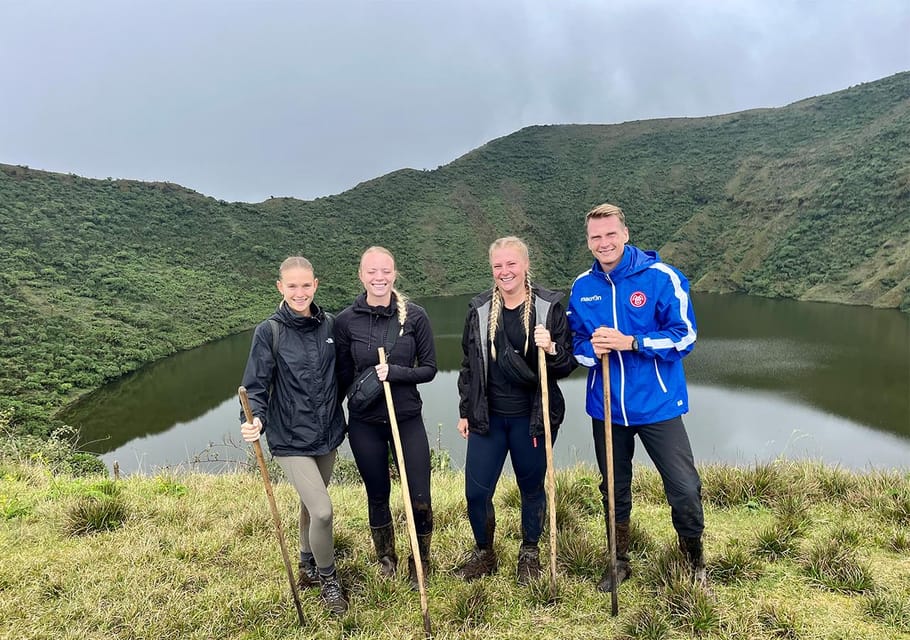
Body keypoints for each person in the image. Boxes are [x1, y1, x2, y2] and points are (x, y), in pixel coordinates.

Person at [567, 203, 706, 591]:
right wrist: (590, 352)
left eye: (611, 234)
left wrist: (633, 342)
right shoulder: (583, 287)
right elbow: (574, 343)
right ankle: (618, 560)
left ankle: (693, 559)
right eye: (596, 237)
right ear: (589, 242)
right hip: (607, 408)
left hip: (658, 406)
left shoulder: (661, 278)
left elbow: (685, 336)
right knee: (613, 489)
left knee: (684, 487)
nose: (604, 243)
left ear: (625, 234)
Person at [455, 236, 576, 584]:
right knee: (477, 492)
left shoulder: (548, 307)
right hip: (488, 418)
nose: (504, 271)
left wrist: (551, 347)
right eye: (498, 266)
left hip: (531, 419)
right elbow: (469, 365)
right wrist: (465, 410)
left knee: (531, 488)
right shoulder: (478, 310)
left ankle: (529, 553)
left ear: (525, 266)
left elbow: (566, 365)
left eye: (511, 264)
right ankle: (484, 553)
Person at [239, 256, 349, 615]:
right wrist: (252, 419)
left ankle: (306, 560)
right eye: (292, 286)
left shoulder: (331, 325)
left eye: (305, 285)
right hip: (289, 438)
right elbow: (255, 386)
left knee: (308, 503)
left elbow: (344, 374)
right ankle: (328, 580)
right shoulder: (268, 332)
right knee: (322, 510)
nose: (299, 293)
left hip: (327, 433)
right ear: (280, 288)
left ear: (316, 284)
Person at [334, 246, 437, 589]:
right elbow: (344, 377)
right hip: (366, 424)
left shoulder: (415, 317)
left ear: (395, 273)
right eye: (372, 272)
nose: (379, 278)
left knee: (420, 494)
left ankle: (419, 561)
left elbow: (429, 369)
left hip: (406, 418)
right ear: (361, 275)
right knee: (377, 493)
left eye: (386, 271)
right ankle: (386, 558)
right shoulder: (346, 320)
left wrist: (394, 373)